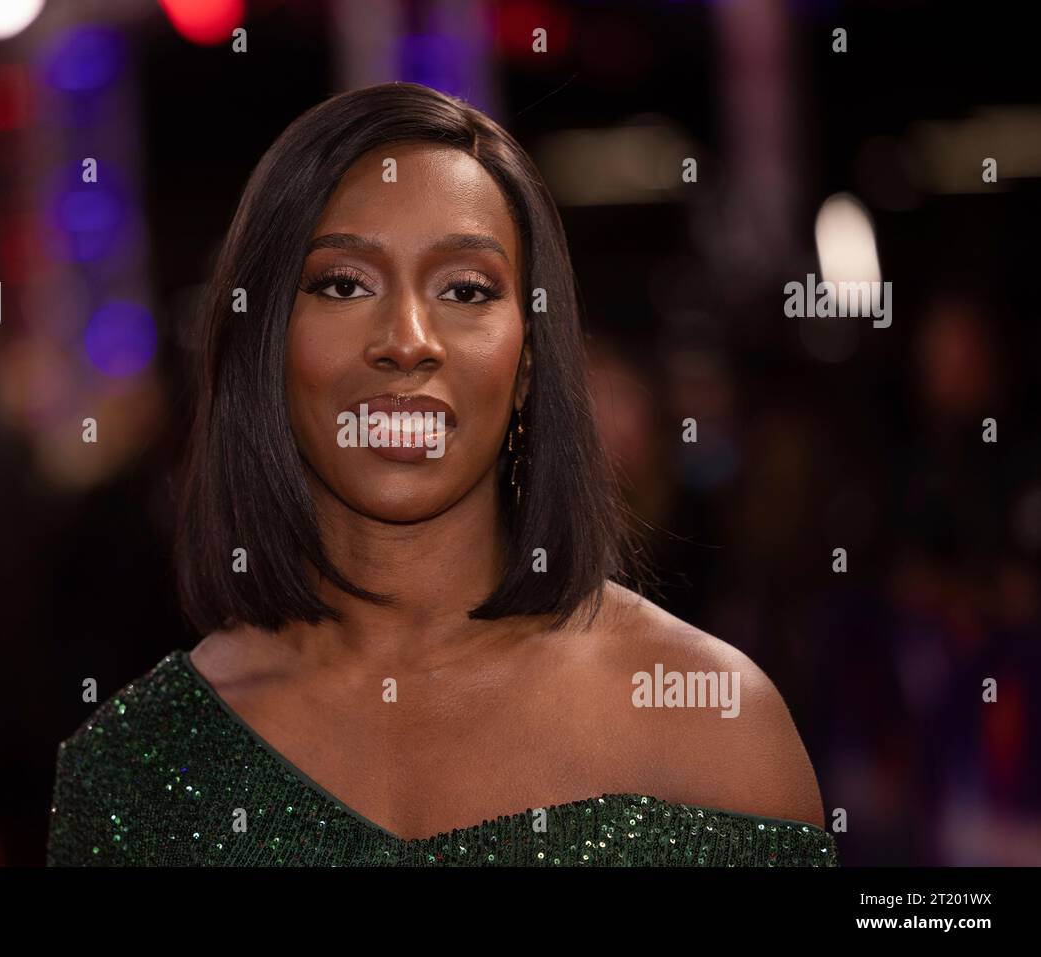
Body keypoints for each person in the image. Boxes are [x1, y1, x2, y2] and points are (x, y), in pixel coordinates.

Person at [47, 82, 838, 866]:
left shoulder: (713, 725)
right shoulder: (129, 774)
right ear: (265, 348)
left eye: (465, 289)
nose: (408, 338)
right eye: (343, 284)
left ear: (528, 360)